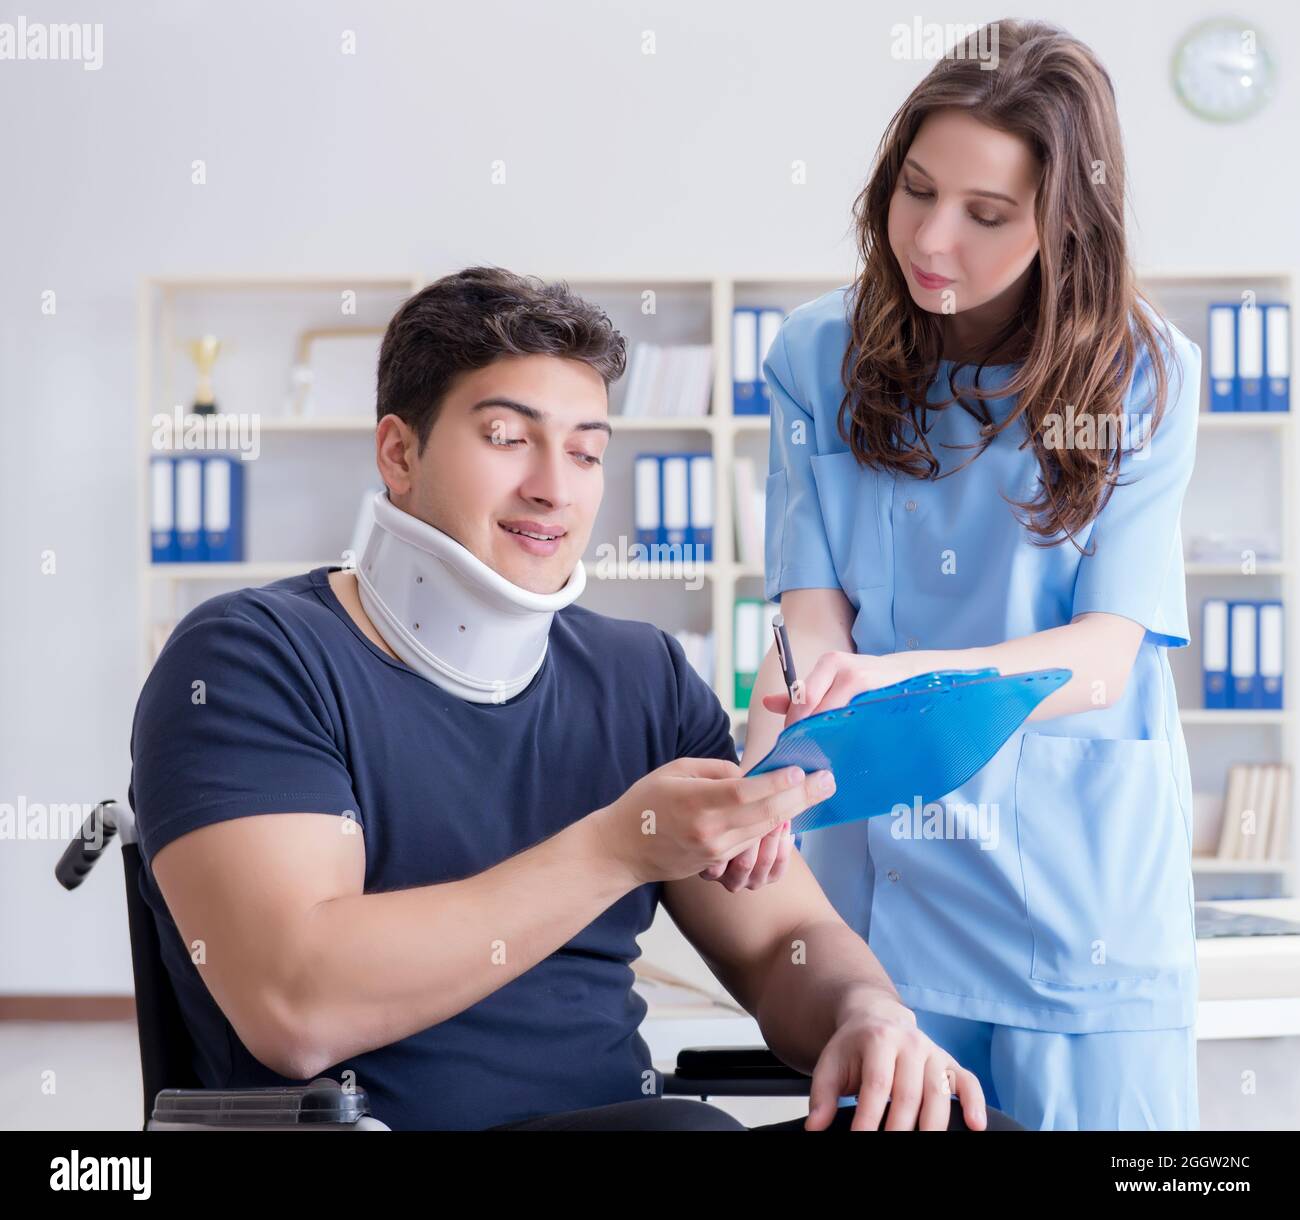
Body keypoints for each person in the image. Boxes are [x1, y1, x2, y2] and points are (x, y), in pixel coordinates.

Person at [129, 266, 1024, 1132]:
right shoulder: (249, 659)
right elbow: (298, 1004)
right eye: (509, 439)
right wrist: (618, 845)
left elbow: (778, 939)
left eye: (588, 450)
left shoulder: (644, 676)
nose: (554, 486)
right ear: (398, 452)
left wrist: (866, 1015)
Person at [743, 19, 1200, 1131]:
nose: (931, 238)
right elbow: (810, 607)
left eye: (987, 215)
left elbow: (1105, 653)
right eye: (914, 189)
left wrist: (892, 677)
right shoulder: (816, 354)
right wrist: (778, 738)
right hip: (878, 886)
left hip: (1076, 892)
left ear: (1062, 223)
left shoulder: (1142, 374)